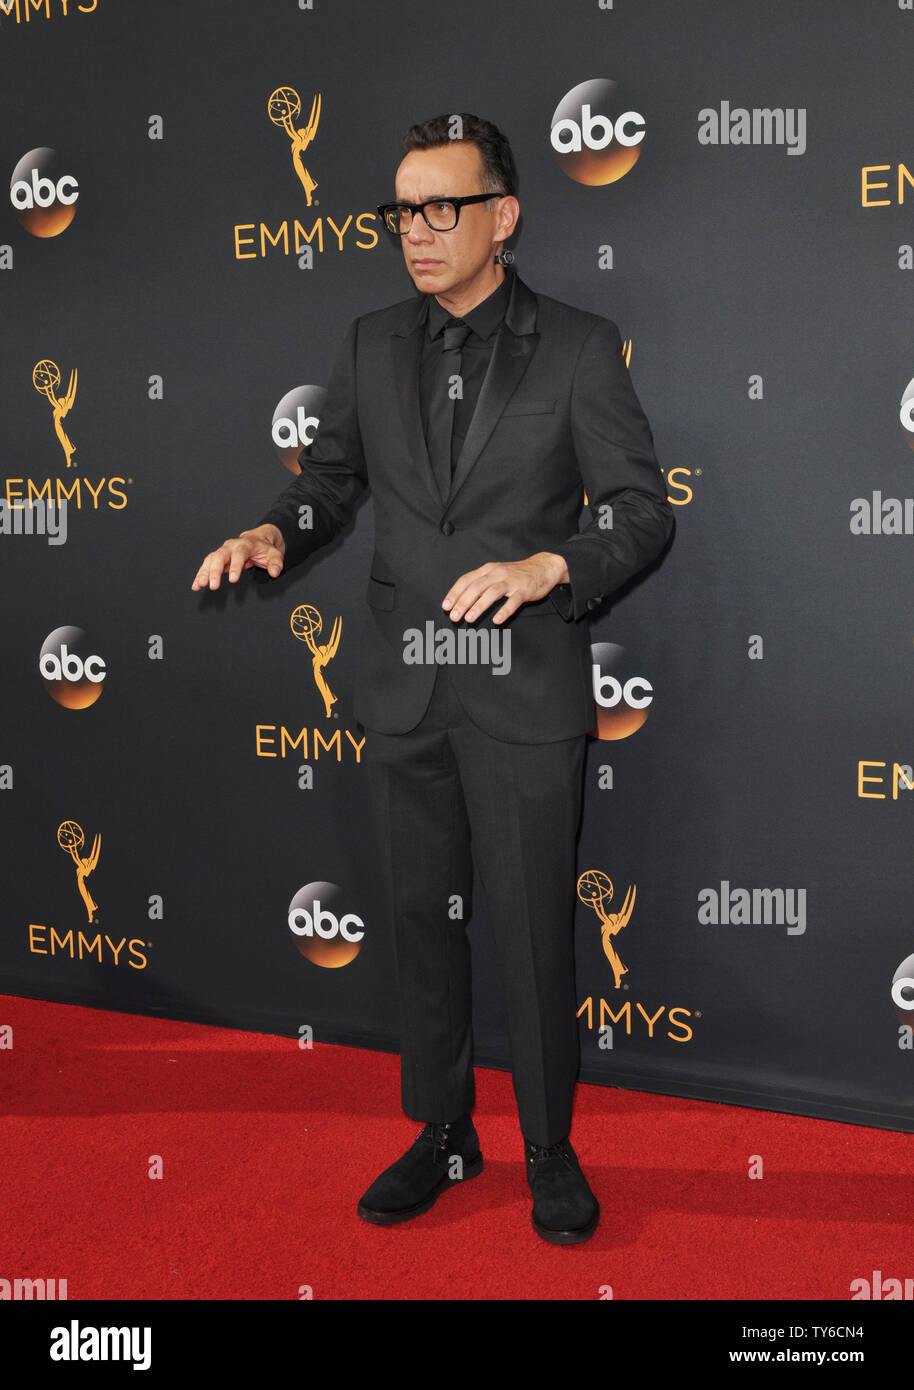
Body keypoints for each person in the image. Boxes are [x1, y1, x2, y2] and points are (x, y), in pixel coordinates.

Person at [192, 113, 673, 1244]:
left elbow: (644, 513)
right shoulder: (368, 341)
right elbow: (330, 482)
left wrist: (553, 562)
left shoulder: (577, 343)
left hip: (521, 692)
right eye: (402, 210)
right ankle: (442, 1130)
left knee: (532, 933)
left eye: (441, 208)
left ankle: (548, 1146)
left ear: (501, 216)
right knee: (421, 922)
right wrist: (275, 534)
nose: (417, 231)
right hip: (405, 688)